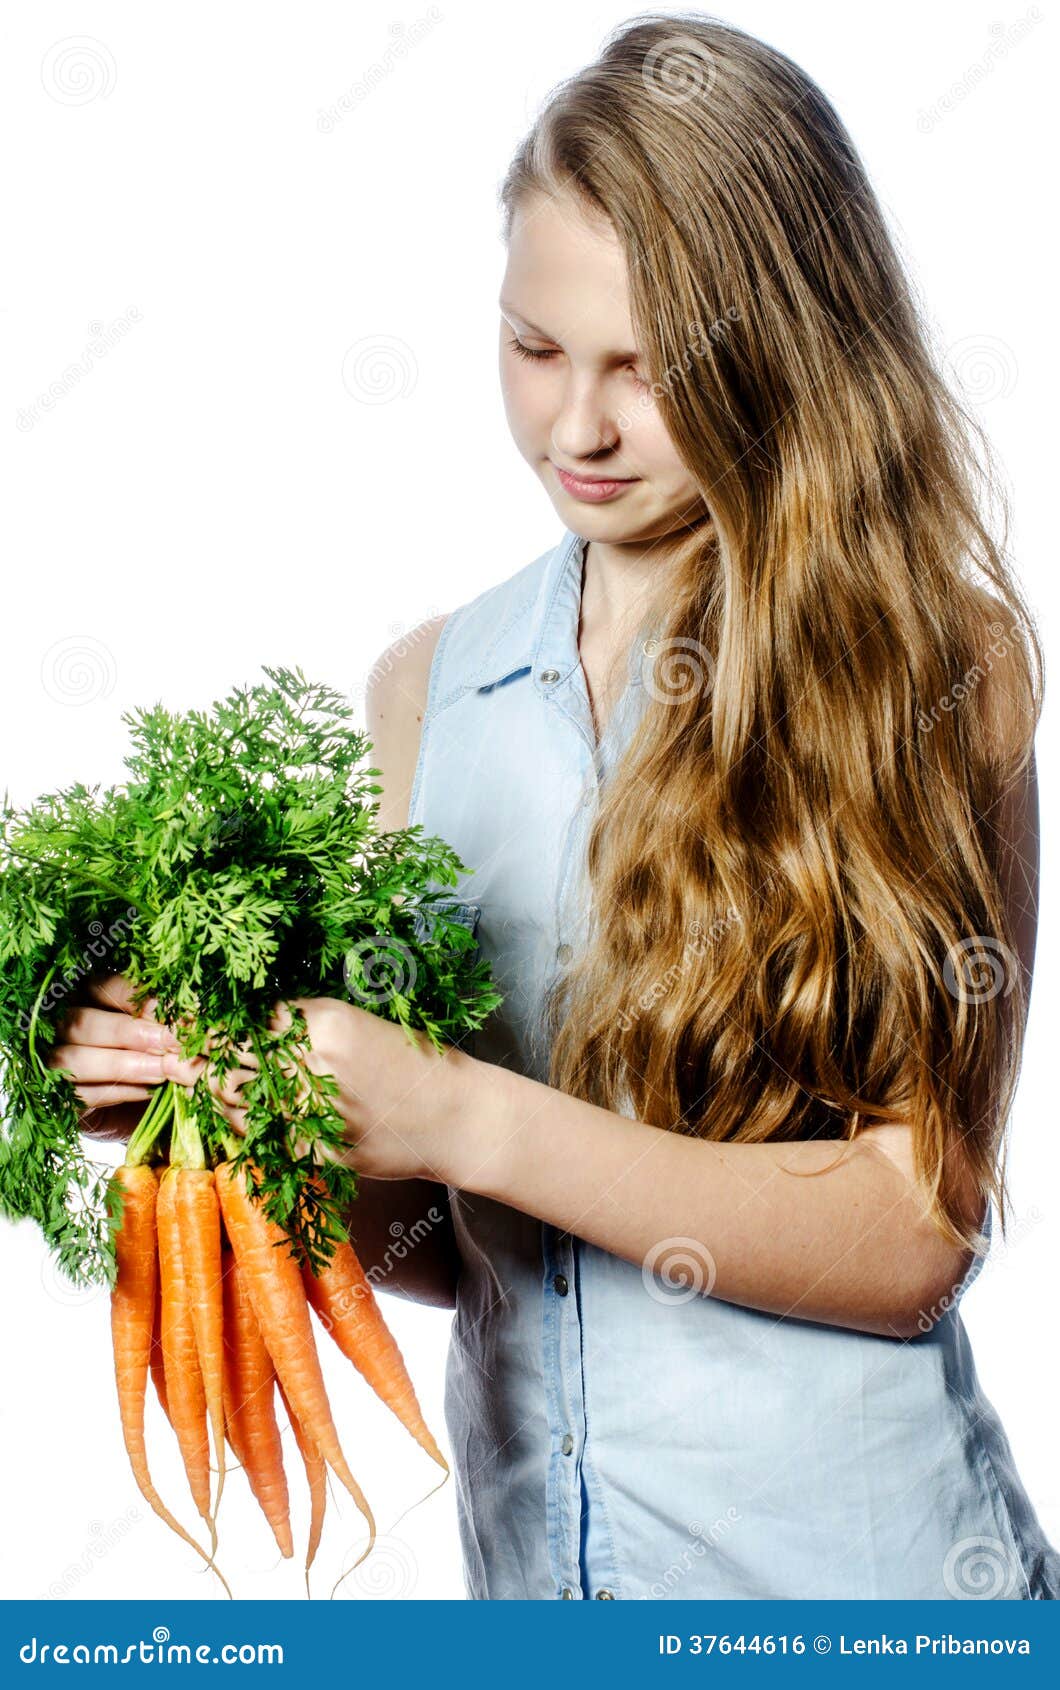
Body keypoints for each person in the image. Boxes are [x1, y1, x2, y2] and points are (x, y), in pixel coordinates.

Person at [58, 13, 1058, 1600]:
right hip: (549, 1606)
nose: (574, 429)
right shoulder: (428, 689)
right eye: (533, 349)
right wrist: (250, 1119)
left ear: (778, 354)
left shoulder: (930, 663)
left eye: (644, 372)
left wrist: (463, 1107)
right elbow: (476, 1254)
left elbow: (910, 1229)